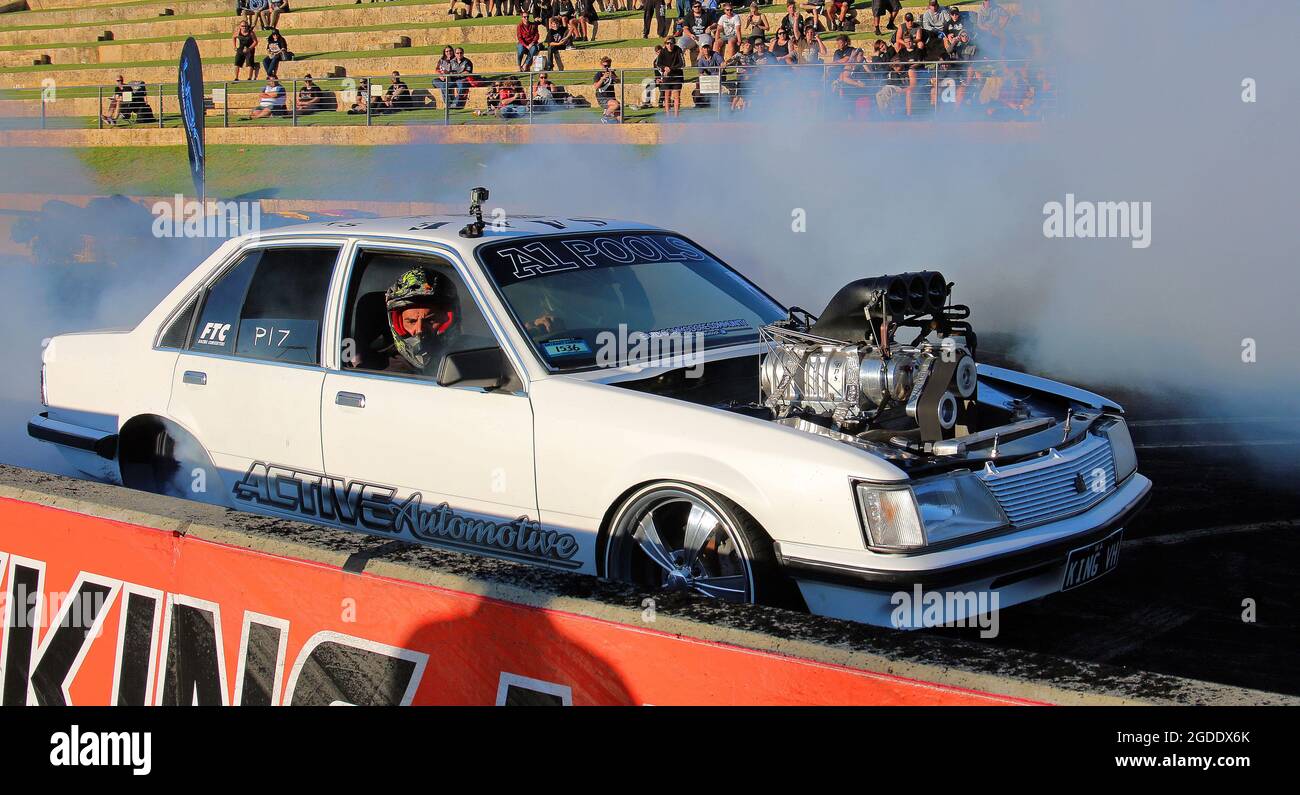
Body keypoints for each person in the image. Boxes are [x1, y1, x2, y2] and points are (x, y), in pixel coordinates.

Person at [382, 267, 461, 377]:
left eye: (430, 320)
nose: (419, 330)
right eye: (411, 321)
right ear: (398, 324)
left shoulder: (472, 355)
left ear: (447, 320)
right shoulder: (387, 375)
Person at [654, 35, 684, 116]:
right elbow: (658, 63)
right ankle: (668, 116)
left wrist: (670, 69)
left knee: (677, 97)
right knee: (667, 97)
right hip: (667, 77)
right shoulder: (663, 51)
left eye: (671, 43)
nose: (669, 45)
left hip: (677, 76)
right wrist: (665, 68)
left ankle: (676, 116)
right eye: (667, 43)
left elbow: (682, 63)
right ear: (665, 44)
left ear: (674, 43)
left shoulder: (678, 50)